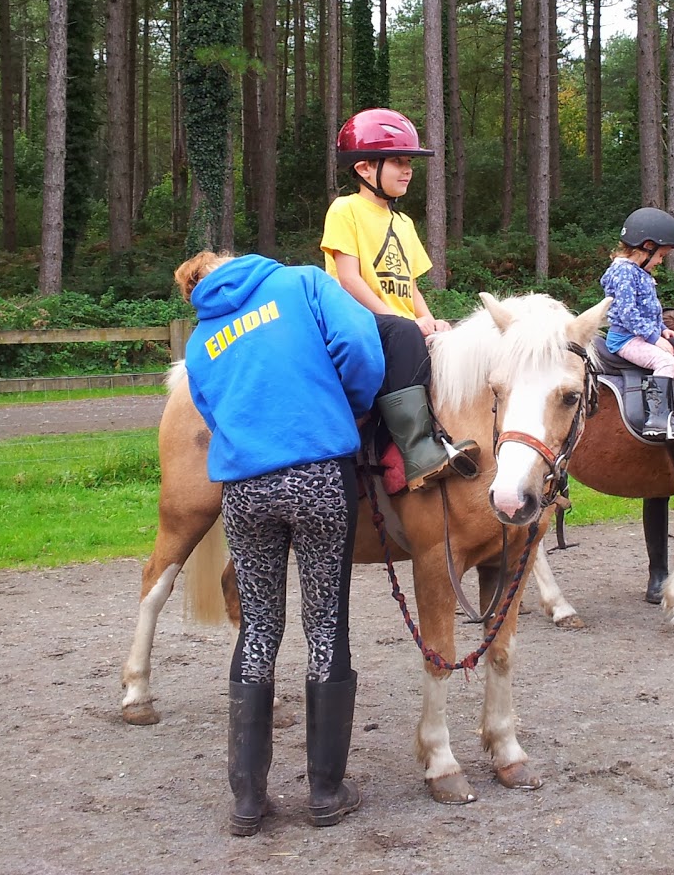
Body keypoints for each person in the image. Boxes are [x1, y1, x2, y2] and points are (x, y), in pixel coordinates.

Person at [176, 249, 385, 836]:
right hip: (319, 473)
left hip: (244, 486)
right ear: (233, 261)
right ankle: (325, 792)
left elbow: (212, 413)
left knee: (259, 626)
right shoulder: (303, 283)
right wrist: (351, 406)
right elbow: (362, 348)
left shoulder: (200, 340)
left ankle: (247, 801)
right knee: (325, 625)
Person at [321, 107, 478, 490]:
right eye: (396, 162)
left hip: (396, 324)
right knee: (404, 334)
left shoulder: (404, 223)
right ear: (363, 169)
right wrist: (403, 321)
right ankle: (416, 450)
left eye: (409, 162)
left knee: (451, 341)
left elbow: (411, 285)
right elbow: (348, 279)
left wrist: (430, 319)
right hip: (355, 317)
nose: (406, 170)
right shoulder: (346, 210)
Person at [600, 207, 674, 440]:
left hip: (639, 335)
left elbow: (649, 311)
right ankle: (657, 418)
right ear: (647, 247)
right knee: (664, 360)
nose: (661, 261)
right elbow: (626, 312)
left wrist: (664, 331)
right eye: (661, 255)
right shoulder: (623, 272)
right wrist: (653, 338)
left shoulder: (638, 273)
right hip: (625, 339)